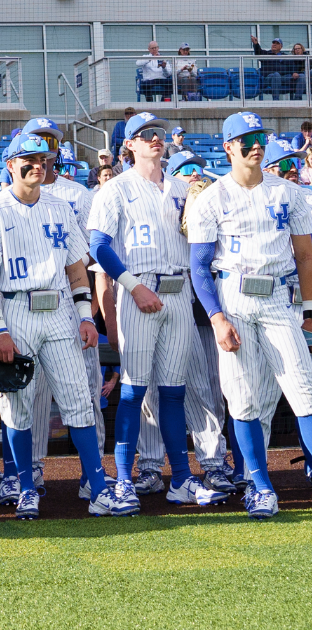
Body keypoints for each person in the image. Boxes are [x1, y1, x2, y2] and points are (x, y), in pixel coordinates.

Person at [0, 133, 128, 519]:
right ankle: (25, 488)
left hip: (59, 311)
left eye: (43, 157)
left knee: (79, 402)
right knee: (18, 405)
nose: (38, 164)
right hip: (16, 309)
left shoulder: (59, 207)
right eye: (28, 159)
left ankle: (99, 490)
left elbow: (76, 268)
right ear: (10, 165)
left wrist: (86, 316)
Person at [88, 112, 228, 512]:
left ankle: (181, 480)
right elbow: (98, 248)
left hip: (179, 290)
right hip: (139, 289)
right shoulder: (114, 189)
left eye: (159, 133)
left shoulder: (185, 189)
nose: (155, 139)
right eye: (145, 134)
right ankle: (123, 481)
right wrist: (132, 287)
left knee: (174, 390)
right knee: (132, 390)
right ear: (128, 144)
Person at [187, 111, 312, 519]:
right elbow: (200, 267)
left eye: (260, 136)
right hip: (234, 298)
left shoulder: (288, 193)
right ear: (227, 147)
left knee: (303, 389)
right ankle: (259, 485)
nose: (256, 145)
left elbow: (306, 255)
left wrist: (308, 309)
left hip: (279, 296)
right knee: (242, 397)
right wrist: (217, 318)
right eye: (246, 139)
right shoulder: (211, 198)